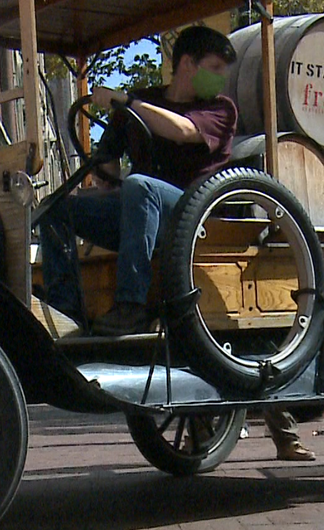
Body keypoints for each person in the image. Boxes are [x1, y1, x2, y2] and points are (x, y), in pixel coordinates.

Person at [37, 25, 237, 336]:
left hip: (190, 219)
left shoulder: (220, 109)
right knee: (54, 208)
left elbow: (182, 130)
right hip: (139, 217)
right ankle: (66, 311)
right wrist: (107, 173)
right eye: (214, 68)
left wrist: (127, 103)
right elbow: (108, 160)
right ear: (187, 63)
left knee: (140, 186)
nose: (220, 78)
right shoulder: (141, 103)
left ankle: (131, 306)